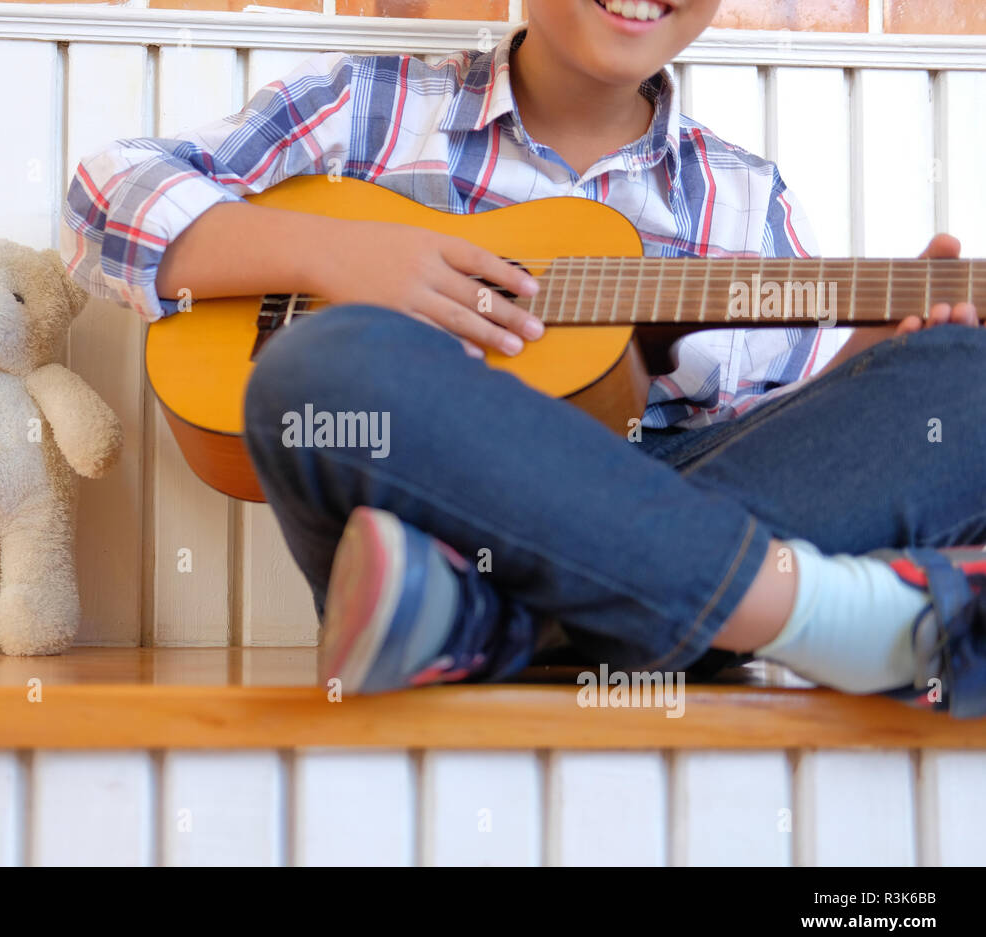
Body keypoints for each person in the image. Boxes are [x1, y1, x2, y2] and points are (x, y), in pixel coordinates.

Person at [61, 1, 985, 717]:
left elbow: (780, 458)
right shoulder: (367, 106)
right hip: (436, 515)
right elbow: (102, 196)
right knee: (317, 365)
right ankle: (812, 617)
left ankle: (483, 623)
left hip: (639, 503)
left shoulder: (749, 197)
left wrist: (868, 361)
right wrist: (336, 256)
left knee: (966, 375)